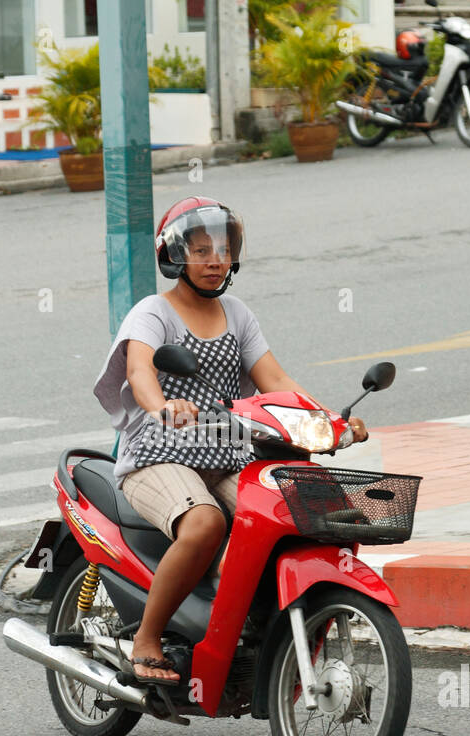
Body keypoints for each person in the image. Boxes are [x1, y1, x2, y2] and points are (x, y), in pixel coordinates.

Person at [92, 196, 369, 685]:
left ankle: (249, 625)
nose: (214, 261)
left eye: (222, 250)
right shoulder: (153, 312)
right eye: (201, 251)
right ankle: (148, 637)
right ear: (175, 255)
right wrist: (162, 407)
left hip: (226, 456)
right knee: (203, 524)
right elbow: (140, 370)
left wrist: (329, 420)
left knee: (296, 514)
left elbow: (276, 381)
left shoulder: (237, 315)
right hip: (157, 456)